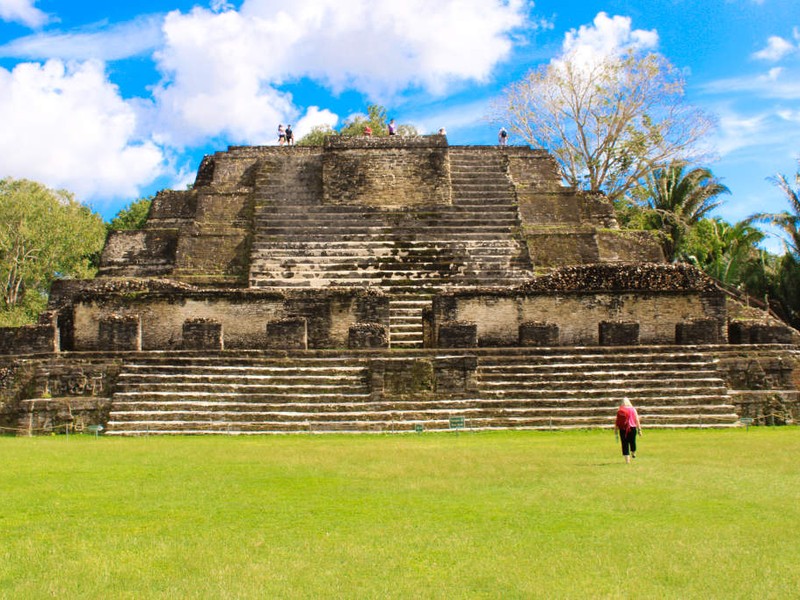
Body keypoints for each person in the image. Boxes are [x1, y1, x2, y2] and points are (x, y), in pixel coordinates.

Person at [614, 398, 642, 464]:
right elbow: (637, 420)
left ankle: (627, 460)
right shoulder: (633, 409)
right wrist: (639, 429)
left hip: (623, 429)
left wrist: (616, 430)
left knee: (624, 444)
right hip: (632, 428)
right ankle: (633, 452)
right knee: (632, 441)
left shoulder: (620, 410)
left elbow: (617, 421)